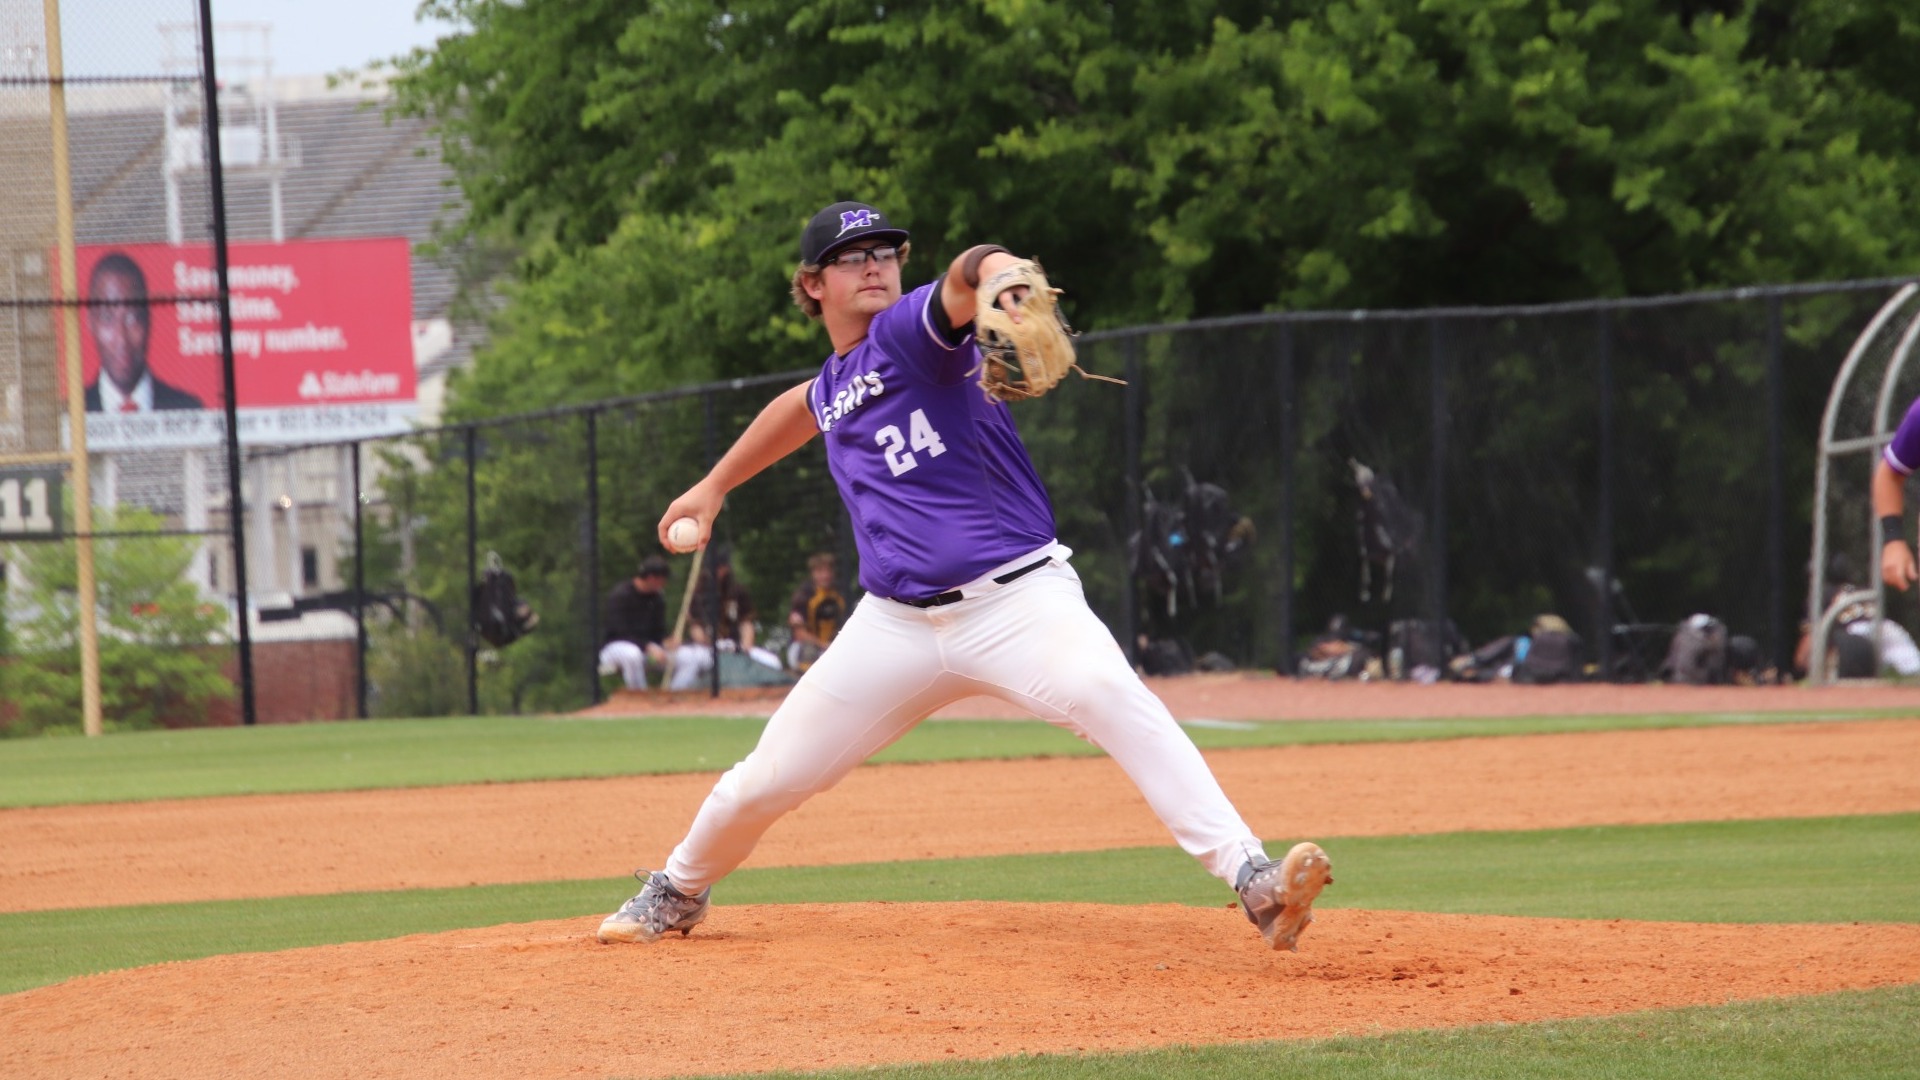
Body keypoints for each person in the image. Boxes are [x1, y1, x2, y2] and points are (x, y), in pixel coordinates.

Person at [598, 200, 1330, 952]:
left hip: (1018, 601)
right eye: (853, 257)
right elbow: (802, 407)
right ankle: (677, 890)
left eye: (886, 252)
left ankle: (1253, 878)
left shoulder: (908, 334)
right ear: (812, 284)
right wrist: (714, 485)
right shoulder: (836, 382)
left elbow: (963, 275)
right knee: (768, 775)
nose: (875, 265)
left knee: (1112, 696)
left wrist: (1000, 272)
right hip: (895, 625)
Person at [83, 252, 204, 412]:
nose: (122, 339)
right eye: (107, 318)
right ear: (91, 323)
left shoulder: (186, 409)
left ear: (148, 319)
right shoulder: (71, 414)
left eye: (132, 318)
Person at [667, 545, 784, 691]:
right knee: (690, 660)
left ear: (726, 568)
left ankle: (767, 697)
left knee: (772, 661)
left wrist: (745, 647)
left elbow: (746, 624)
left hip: (735, 646)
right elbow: (695, 628)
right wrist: (710, 642)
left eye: (720, 567)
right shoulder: (698, 592)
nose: (718, 571)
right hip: (706, 648)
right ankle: (676, 694)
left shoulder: (737, 591)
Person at [598, 554, 671, 691]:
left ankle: (673, 697)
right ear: (651, 578)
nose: (664, 584)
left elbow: (658, 632)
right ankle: (639, 697)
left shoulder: (658, 598)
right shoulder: (621, 595)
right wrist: (648, 646)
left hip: (647, 651)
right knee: (633, 655)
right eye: (662, 580)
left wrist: (666, 641)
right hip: (615, 648)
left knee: (686, 657)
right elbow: (620, 633)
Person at [784, 551, 847, 673]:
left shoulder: (839, 596)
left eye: (828, 571)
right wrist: (823, 645)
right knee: (809, 651)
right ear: (813, 573)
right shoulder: (803, 596)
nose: (825, 575)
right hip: (804, 648)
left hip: (830, 646)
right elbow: (800, 634)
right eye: (820, 571)